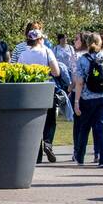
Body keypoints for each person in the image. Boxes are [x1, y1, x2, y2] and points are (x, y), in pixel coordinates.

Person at [15, 28, 61, 164]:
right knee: (50, 119)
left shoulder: (23, 54)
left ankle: (37, 154)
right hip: (46, 87)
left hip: (30, 90)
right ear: (40, 39)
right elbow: (56, 72)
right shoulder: (47, 51)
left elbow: (18, 71)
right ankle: (48, 142)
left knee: (34, 121)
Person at [73, 31, 103, 166]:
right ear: (100, 43)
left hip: (88, 98)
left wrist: (76, 101)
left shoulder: (82, 59)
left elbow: (79, 82)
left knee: (84, 127)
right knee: (102, 128)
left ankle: (80, 158)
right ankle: (102, 160)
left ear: (87, 43)